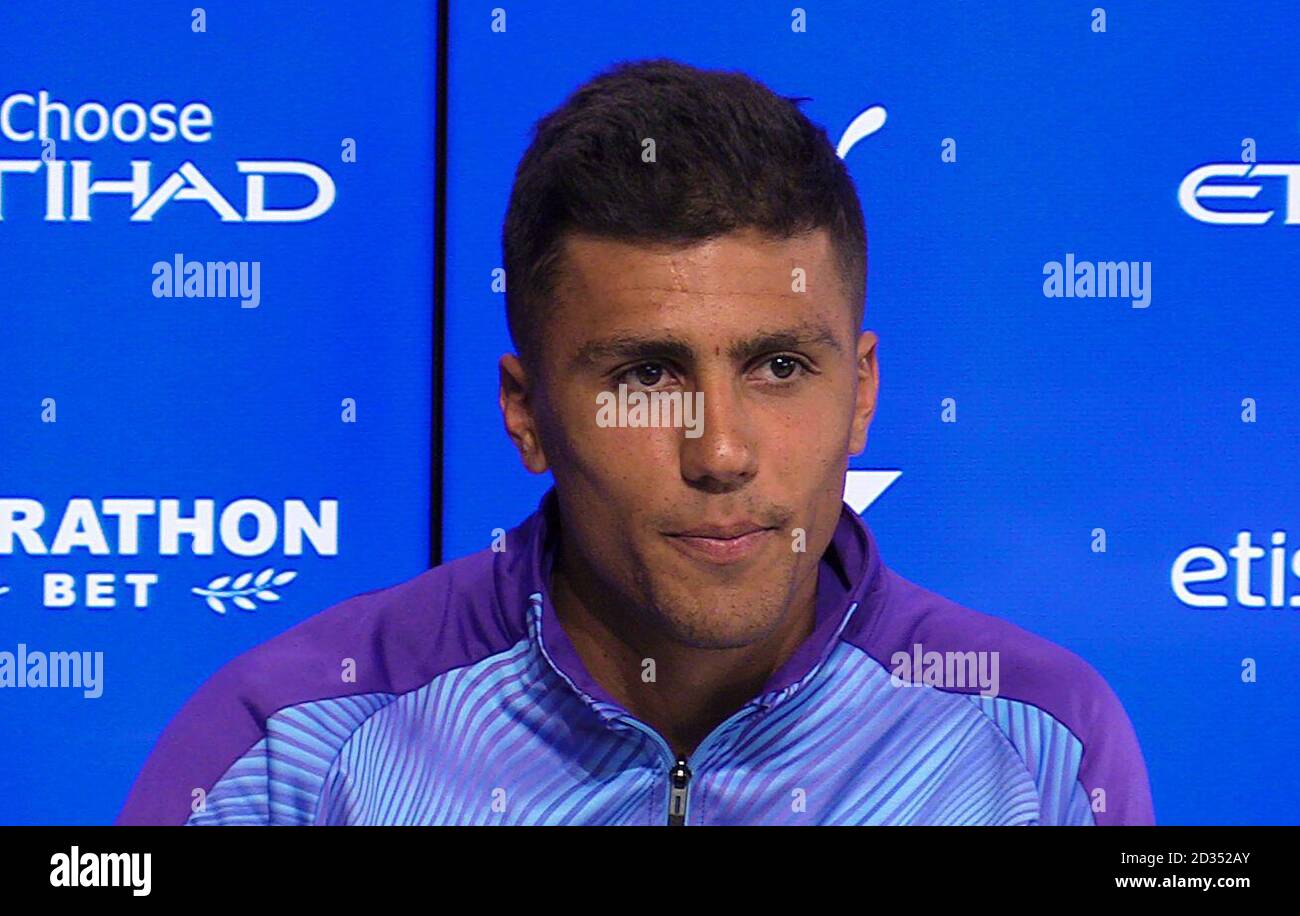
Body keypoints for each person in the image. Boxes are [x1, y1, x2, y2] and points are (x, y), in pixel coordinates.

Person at [117, 58, 1153, 826]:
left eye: (780, 367)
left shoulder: (1038, 744)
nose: (720, 452)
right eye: (647, 376)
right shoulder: (292, 745)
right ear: (525, 413)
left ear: (862, 394)